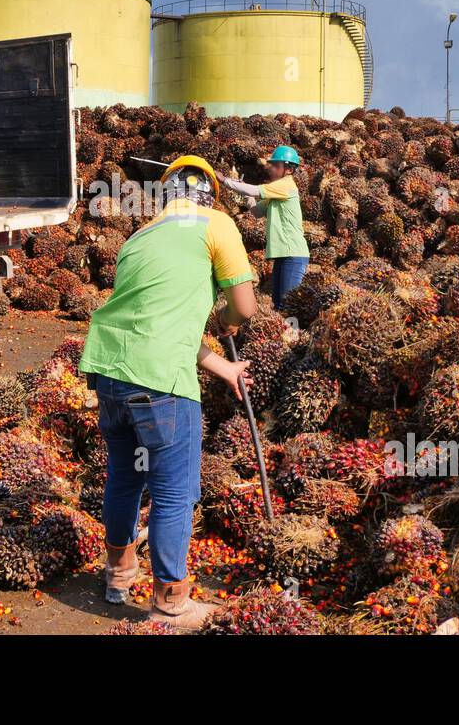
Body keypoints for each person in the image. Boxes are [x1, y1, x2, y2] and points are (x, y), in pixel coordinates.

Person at [78, 154, 258, 629]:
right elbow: (246, 304)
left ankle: (117, 576)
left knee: (124, 478)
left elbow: (156, 322)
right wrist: (227, 321)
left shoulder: (139, 237)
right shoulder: (217, 224)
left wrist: (224, 368)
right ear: (210, 196)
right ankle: (171, 603)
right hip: (162, 385)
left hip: (111, 372)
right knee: (174, 493)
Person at [219, 145, 310, 309]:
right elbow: (256, 211)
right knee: (278, 303)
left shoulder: (285, 185)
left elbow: (255, 190)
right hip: (284, 255)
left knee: (287, 305)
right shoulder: (276, 191)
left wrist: (225, 181)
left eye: (276, 165)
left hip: (294, 254)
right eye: (272, 165)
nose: (271, 168)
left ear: (288, 169)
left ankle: (294, 333)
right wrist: (244, 192)